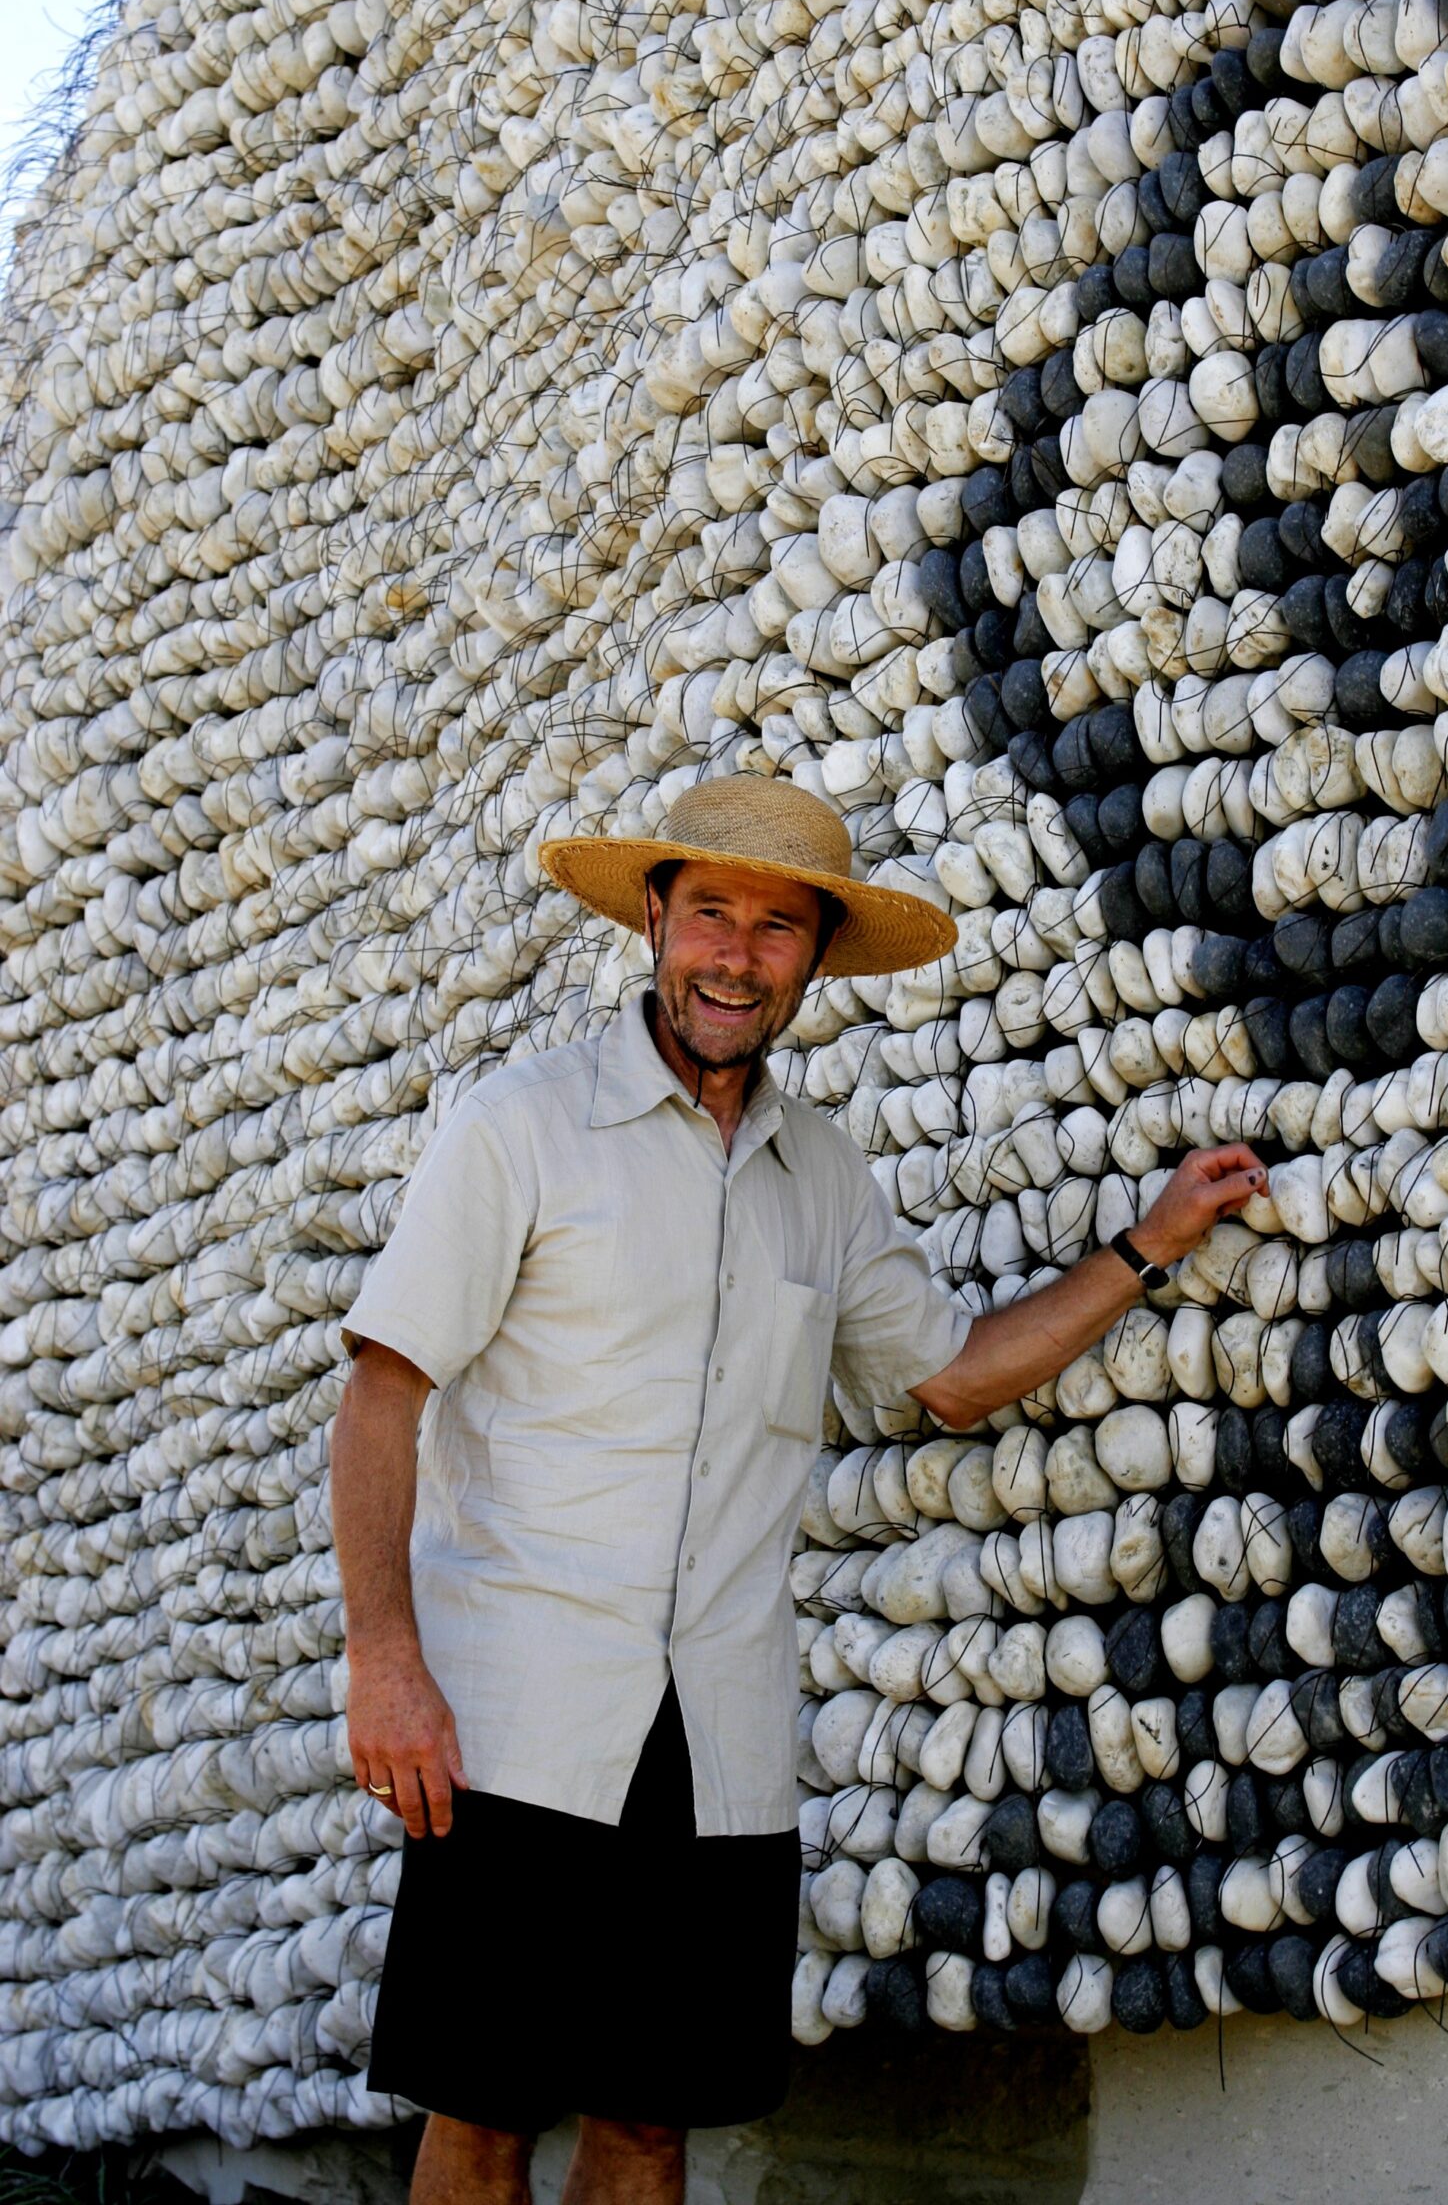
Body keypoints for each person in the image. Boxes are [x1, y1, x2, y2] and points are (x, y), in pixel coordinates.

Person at [331, 774, 1266, 2205]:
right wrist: (386, 1659)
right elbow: (382, 1394)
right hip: (516, 1723)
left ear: (816, 956)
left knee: (653, 2125)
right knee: (483, 2117)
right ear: (654, 919)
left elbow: (950, 1375)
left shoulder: (822, 1182)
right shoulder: (522, 1128)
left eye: (778, 927)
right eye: (711, 912)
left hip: (719, 1745)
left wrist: (1148, 1245)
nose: (738, 955)